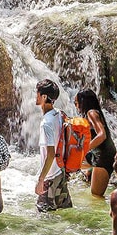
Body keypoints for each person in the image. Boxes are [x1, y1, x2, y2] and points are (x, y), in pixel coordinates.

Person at [35, 78, 71, 212]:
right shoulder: (59, 114)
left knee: (44, 217)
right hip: (60, 173)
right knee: (62, 212)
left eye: (37, 93)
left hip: (50, 177)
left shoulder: (46, 123)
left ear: (43, 97)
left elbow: (50, 155)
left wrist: (41, 179)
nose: (36, 96)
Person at [77, 88, 116, 198]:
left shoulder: (91, 113)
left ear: (83, 102)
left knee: (96, 197)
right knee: (75, 158)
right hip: (98, 155)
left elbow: (101, 135)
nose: (76, 106)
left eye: (77, 102)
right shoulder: (91, 113)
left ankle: (91, 173)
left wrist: (86, 148)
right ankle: (89, 173)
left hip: (103, 159)